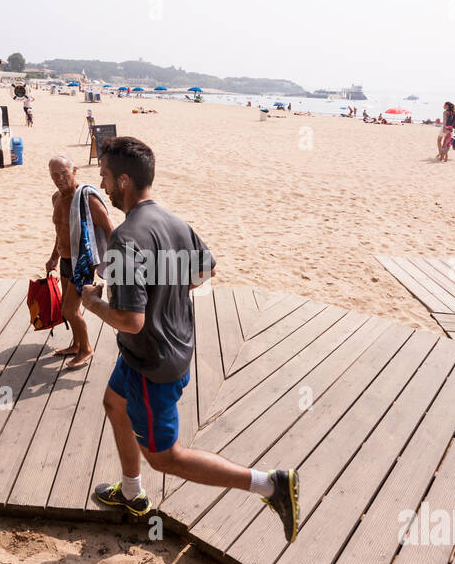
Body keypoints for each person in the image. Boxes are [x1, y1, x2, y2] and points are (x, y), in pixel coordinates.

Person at [80, 136, 301, 541]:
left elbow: (130, 320)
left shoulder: (127, 239)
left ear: (125, 181)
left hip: (151, 364)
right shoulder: (174, 222)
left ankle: (270, 484)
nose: (103, 185)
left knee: (166, 458)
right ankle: (131, 493)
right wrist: (165, 289)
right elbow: (205, 272)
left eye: (106, 177)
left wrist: (93, 303)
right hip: (161, 350)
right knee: (114, 403)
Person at [46, 155, 115, 369]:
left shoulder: (87, 199)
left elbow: (109, 229)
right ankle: (76, 344)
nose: (60, 178)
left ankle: (86, 348)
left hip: (82, 261)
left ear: (74, 171)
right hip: (66, 260)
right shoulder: (56, 198)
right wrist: (53, 258)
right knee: (66, 307)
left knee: (69, 310)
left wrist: (115, 263)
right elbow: (60, 232)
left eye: (64, 173)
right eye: (54, 175)